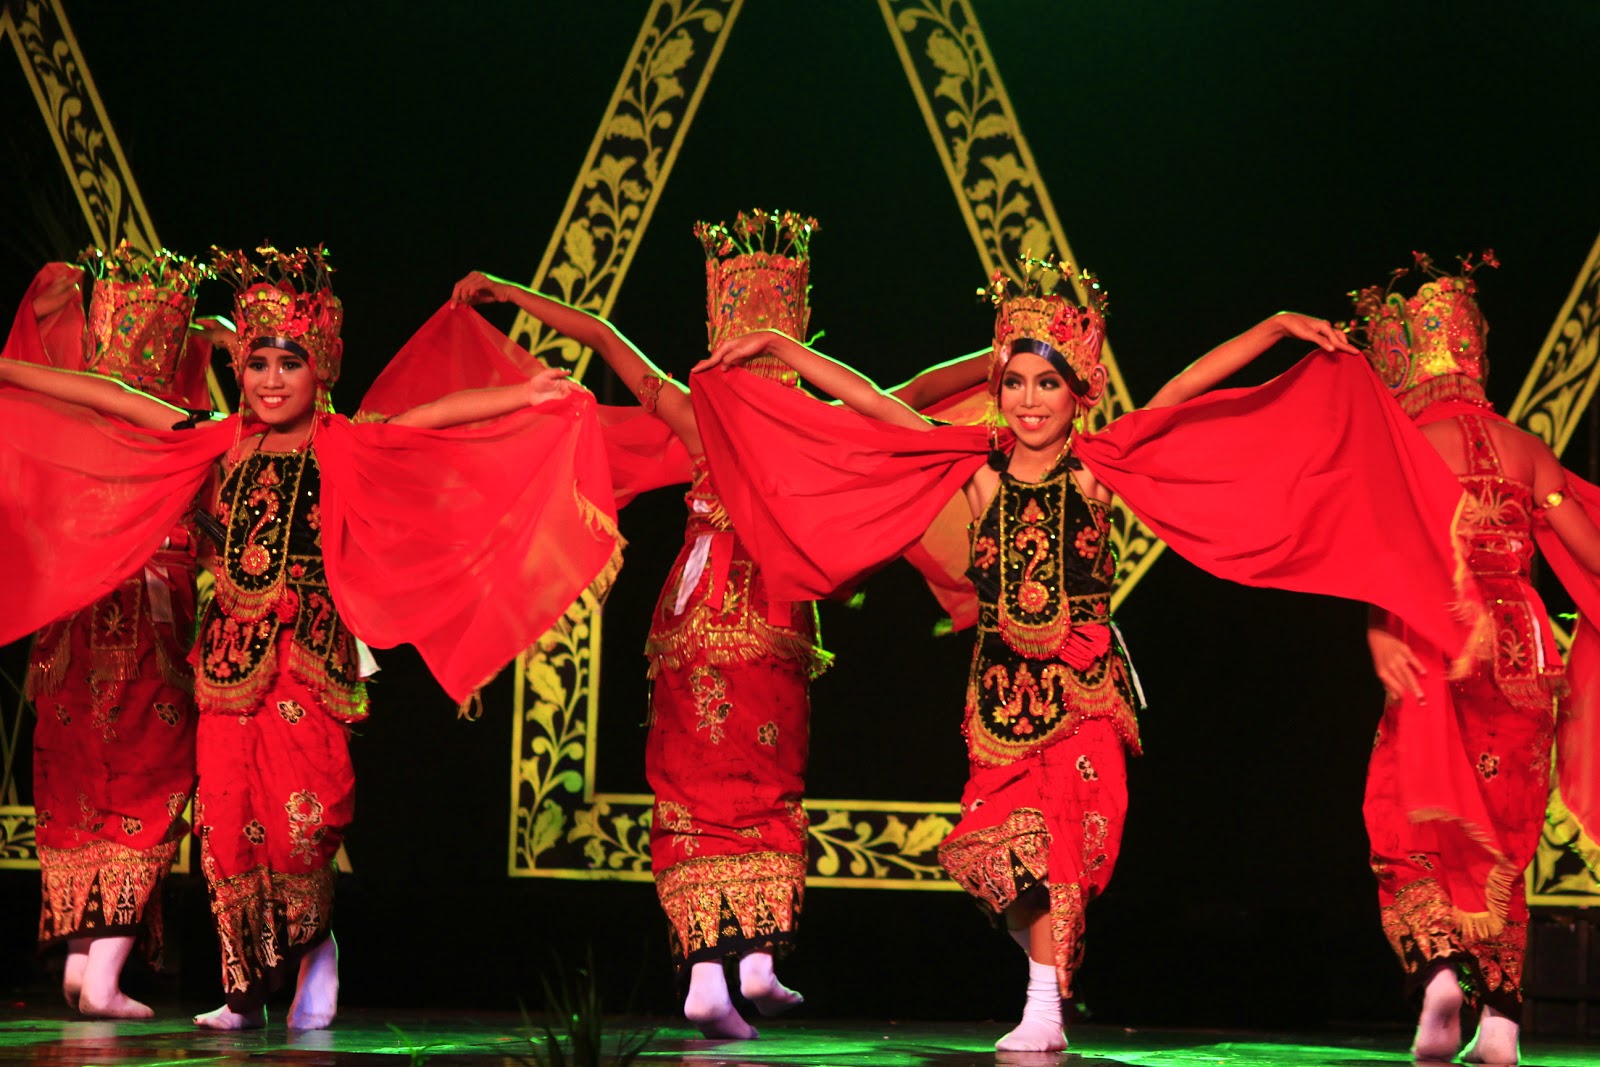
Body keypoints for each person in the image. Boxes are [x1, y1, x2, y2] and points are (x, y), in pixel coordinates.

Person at [690, 254, 1400, 1051]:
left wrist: (1273, 327)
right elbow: (874, 407)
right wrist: (778, 348)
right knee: (998, 853)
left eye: (1048, 383)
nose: (1030, 400)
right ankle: (1045, 987)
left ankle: (1043, 1010)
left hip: (1083, 691)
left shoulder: (1096, 471)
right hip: (998, 697)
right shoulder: (979, 474)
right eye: (1017, 383)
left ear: (1079, 390)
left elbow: (1183, 389)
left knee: (1058, 847)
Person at [0, 244, 623, 1030]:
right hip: (224, 661)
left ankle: (317, 949)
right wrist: (13, 373)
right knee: (226, 823)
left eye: (288, 363)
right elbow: (115, 397)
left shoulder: (338, 440)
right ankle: (242, 990)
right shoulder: (220, 437)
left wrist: (522, 395)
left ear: (320, 365)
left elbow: (427, 420)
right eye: (257, 362)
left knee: (300, 823)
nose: (269, 380)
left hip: (308, 656)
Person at [451, 208, 989, 1040]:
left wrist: (509, 290)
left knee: (691, 787)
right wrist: (1009, 356)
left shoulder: (695, 414)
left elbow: (603, 337)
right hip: (769, 614)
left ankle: (708, 973)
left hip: (692, 618)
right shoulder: (815, 420)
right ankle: (758, 962)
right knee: (765, 783)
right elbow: (917, 393)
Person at [1351, 252, 1600, 1065]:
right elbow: (1589, 553)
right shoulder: (1529, 450)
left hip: (1441, 639)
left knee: (1411, 810)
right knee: (1503, 829)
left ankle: (1439, 972)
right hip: (1525, 650)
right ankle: (1502, 1021)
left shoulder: (1411, 444)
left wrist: (1380, 631)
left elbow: (1386, 553)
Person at [1, 247, 217, 1018]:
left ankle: (82, 957)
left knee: (82, 789)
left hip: (72, 632)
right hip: (144, 632)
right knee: (150, 786)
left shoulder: (76, 429)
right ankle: (100, 975)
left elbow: (90, 389)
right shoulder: (183, 427)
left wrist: (14, 368)